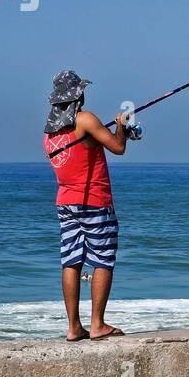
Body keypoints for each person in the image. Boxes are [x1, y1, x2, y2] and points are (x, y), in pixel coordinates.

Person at [42, 70, 133, 342]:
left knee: (72, 261)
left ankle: (73, 327)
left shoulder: (50, 131)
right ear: (77, 94)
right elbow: (118, 147)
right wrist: (121, 126)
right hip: (94, 200)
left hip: (65, 202)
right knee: (102, 260)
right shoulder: (85, 119)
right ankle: (97, 325)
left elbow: (83, 148)